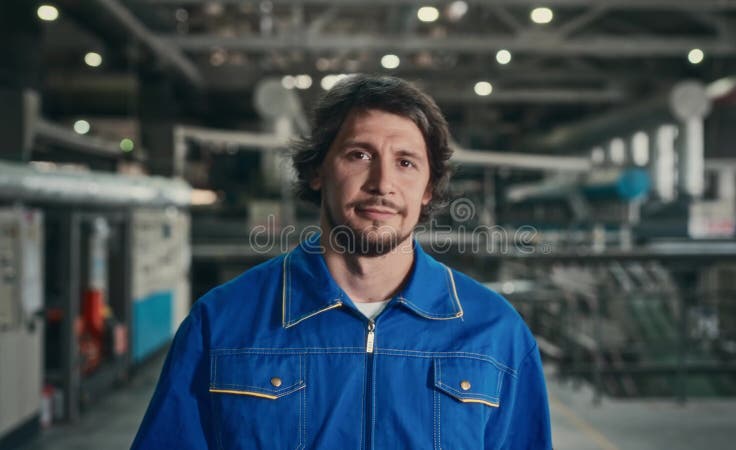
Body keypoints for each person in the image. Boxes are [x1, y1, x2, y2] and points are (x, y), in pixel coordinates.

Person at [132, 75, 551, 449]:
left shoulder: (496, 333)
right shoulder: (221, 324)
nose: (382, 184)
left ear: (428, 188)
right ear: (317, 170)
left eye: (406, 163)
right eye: (359, 155)